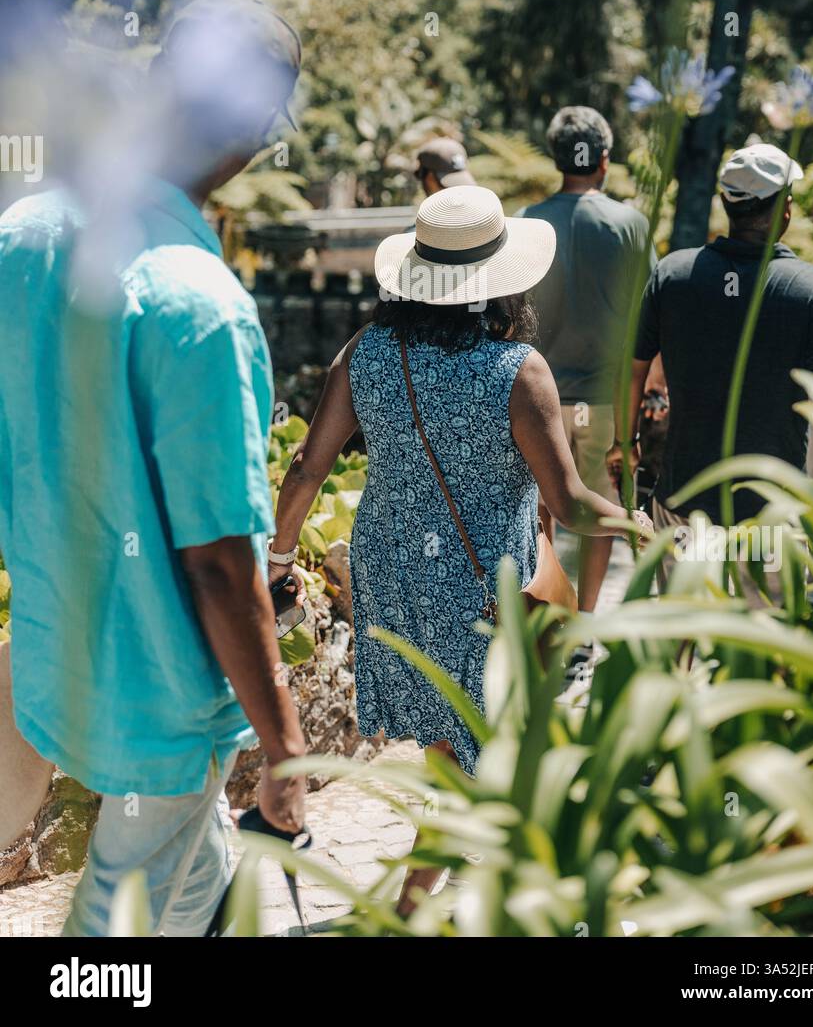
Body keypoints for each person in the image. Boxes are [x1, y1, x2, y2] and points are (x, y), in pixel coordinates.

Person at [0, 0, 308, 936]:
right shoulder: (202, 306)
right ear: (258, 132)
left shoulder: (25, 234)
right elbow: (218, 563)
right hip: (161, 701)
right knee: (113, 945)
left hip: (52, 650)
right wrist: (288, 749)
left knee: (198, 887)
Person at [270, 186, 652, 916]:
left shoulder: (365, 353)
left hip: (391, 571)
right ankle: (454, 899)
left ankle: (434, 891)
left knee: (456, 740)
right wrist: (637, 528)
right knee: (481, 738)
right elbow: (569, 502)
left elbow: (307, 468)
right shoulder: (518, 371)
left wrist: (283, 558)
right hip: (481, 581)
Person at [612, 143, 813, 552]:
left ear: (724, 201)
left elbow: (633, 369)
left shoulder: (673, 274)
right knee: (763, 618)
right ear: (785, 209)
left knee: (684, 615)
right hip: (773, 515)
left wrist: (626, 444)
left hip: (683, 503)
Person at [522, 106, 658, 615]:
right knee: (604, 511)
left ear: (557, 158)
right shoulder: (631, 224)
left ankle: (546, 615)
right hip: (607, 400)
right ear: (604, 159)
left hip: (537, 399)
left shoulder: (529, 223)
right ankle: (586, 621)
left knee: (540, 509)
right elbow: (651, 320)